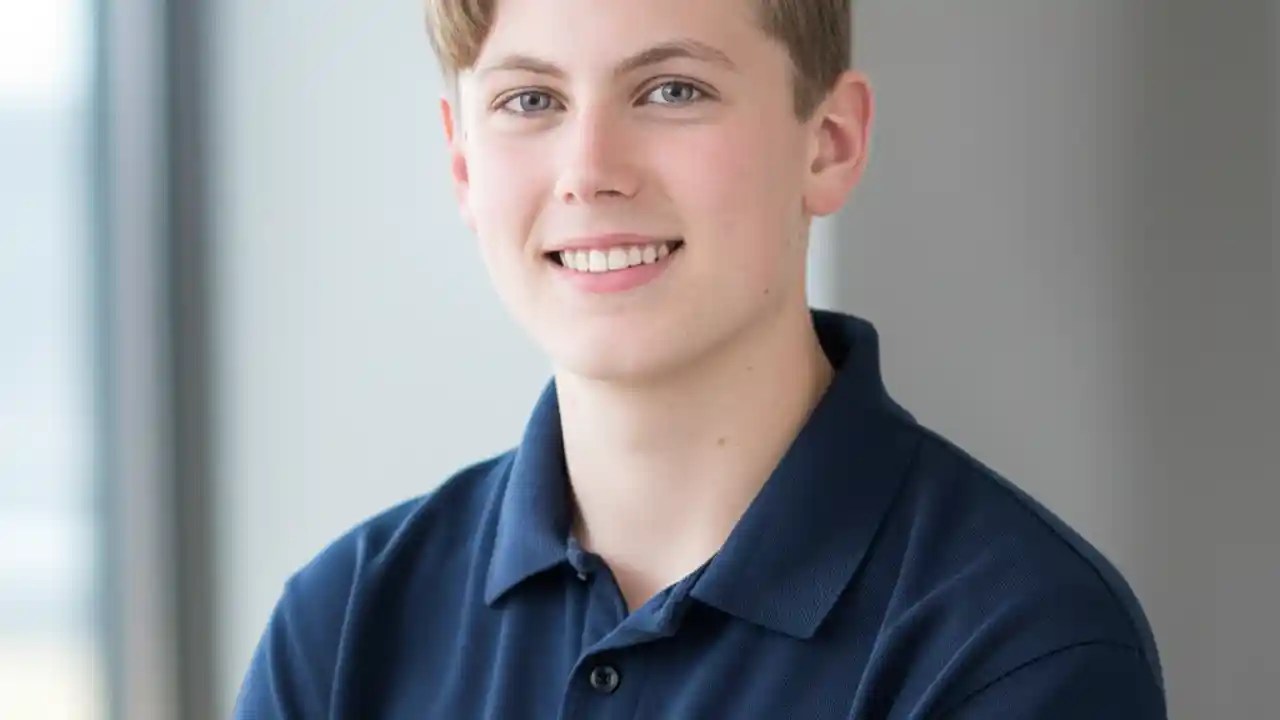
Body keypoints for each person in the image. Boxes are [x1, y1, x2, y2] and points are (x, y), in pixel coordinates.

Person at [235, 0, 1166, 717]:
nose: (590, 166)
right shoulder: (343, 624)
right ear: (465, 166)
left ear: (829, 145)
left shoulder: (1017, 641)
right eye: (531, 100)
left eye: (671, 90)